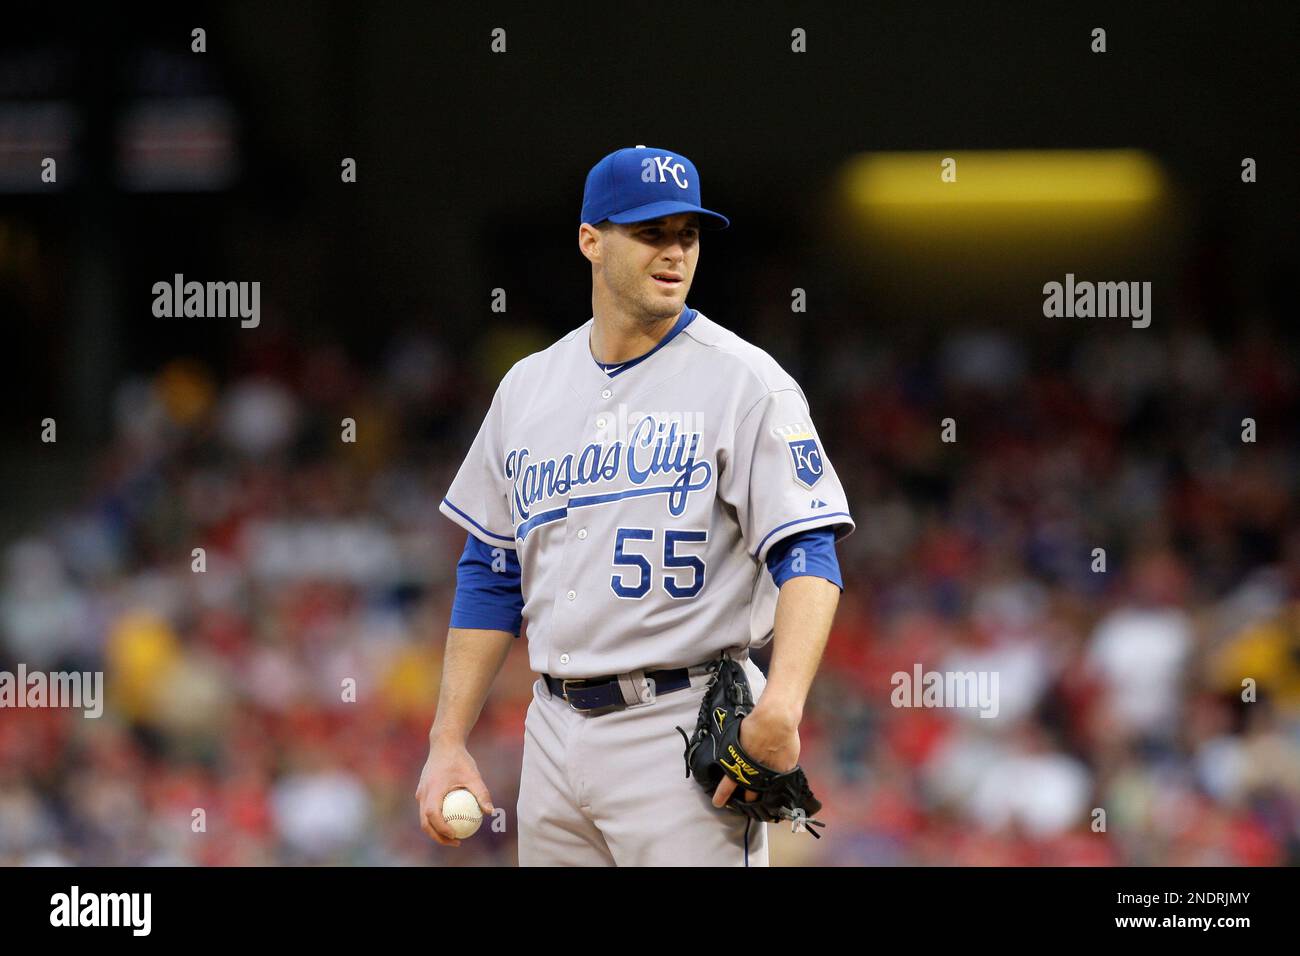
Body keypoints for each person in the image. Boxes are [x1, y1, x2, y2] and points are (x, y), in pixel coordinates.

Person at [416, 145, 853, 865]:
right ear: (592, 239)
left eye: (688, 234)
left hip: (680, 730)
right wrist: (447, 740)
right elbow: (491, 573)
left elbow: (808, 551)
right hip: (552, 733)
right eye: (651, 233)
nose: (674, 251)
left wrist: (782, 704)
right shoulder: (527, 388)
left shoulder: (746, 382)